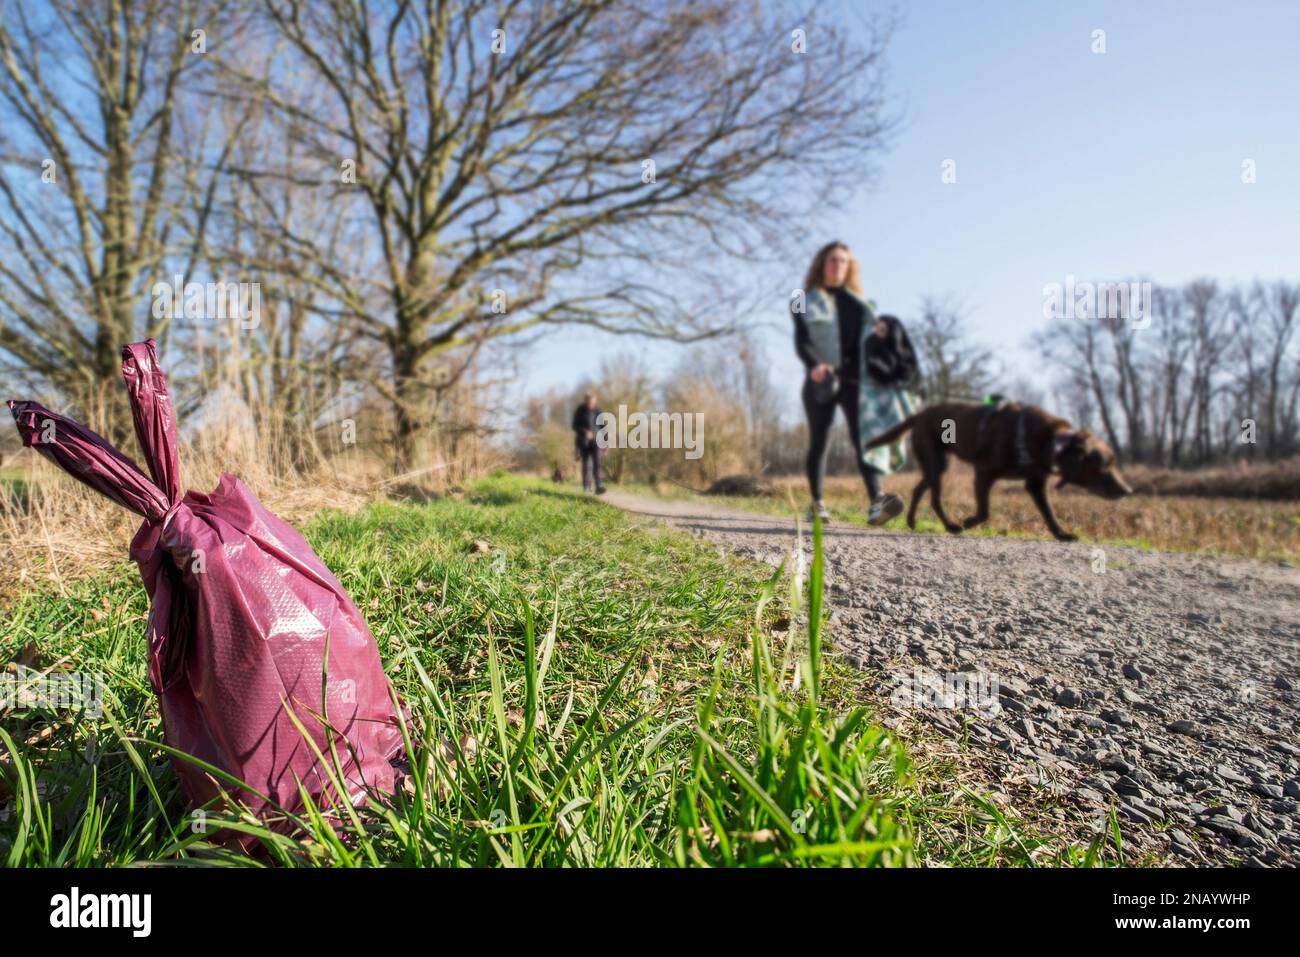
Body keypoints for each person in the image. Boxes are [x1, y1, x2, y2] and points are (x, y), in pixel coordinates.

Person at [792, 241, 918, 524]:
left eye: (843, 261)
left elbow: (872, 345)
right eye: (832, 260)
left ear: (850, 268)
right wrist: (815, 365)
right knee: (819, 441)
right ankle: (817, 503)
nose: (838, 265)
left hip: (852, 380)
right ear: (822, 264)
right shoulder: (801, 298)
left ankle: (877, 501)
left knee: (866, 440)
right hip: (820, 380)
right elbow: (801, 339)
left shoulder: (860, 305)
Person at [572, 391, 606, 494]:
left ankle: (599, 485)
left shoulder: (599, 411)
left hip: (596, 441)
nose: (590, 404)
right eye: (589, 403)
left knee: (597, 462)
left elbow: (604, 428)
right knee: (587, 464)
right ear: (586, 401)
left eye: (592, 403)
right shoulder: (580, 411)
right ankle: (586, 487)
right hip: (583, 442)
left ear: (595, 402)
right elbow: (574, 426)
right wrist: (585, 432)